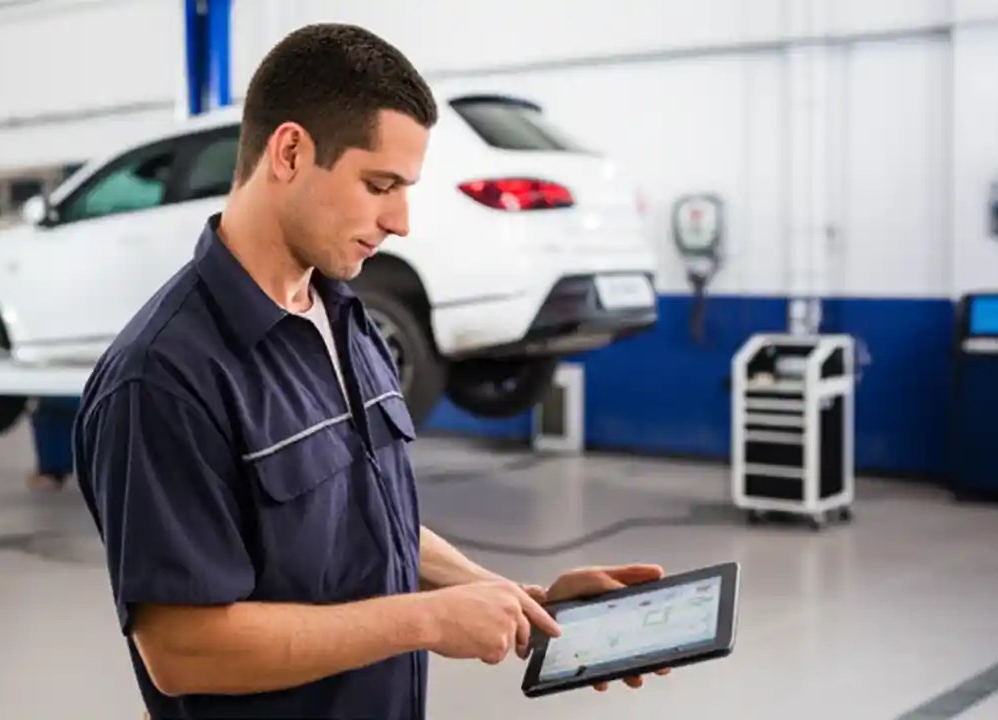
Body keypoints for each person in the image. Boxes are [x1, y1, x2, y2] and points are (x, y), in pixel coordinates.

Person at [73, 22, 668, 720]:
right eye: (379, 183)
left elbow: (359, 523)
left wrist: (518, 602)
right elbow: (182, 650)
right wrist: (425, 621)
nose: (401, 220)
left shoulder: (348, 318)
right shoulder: (164, 378)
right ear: (290, 151)